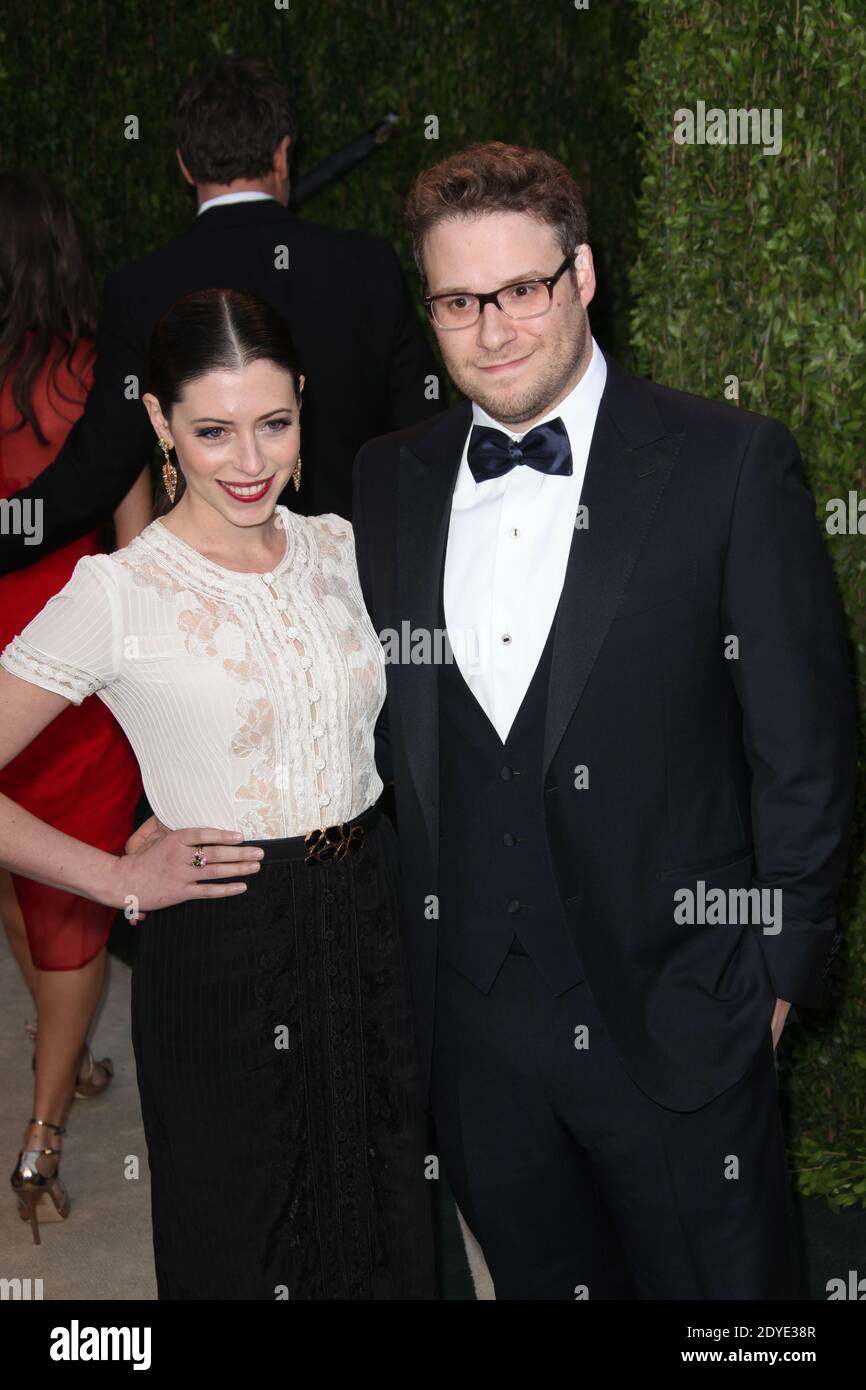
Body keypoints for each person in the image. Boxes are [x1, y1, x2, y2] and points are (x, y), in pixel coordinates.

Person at [348, 141, 857, 1299]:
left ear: (581, 275)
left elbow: (804, 748)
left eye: (521, 288)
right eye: (458, 301)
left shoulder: (727, 463)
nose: (492, 330)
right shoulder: (388, 477)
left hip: (681, 1014)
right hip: (473, 1034)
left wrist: (775, 979)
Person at [0, 286, 435, 1298]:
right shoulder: (120, 592)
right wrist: (112, 877)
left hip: (369, 923)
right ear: (158, 420)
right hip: (221, 938)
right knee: (243, 1236)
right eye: (212, 431)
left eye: (274, 423)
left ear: (302, 404)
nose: (249, 462)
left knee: (382, 1217)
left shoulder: (342, 547)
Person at [0, 55, 444, 577]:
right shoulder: (366, 263)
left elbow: (96, 472)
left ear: (185, 165)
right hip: (353, 578)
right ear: (283, 154)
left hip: (209, 586)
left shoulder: (140, 286)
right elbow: (425, 432)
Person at [0, 169, 147, 1244]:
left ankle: (70, 1060)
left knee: (20, 879)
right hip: (70, 679)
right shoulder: (97, 380)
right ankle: (41, 1135)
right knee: (71, 908)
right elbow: (135, 550)